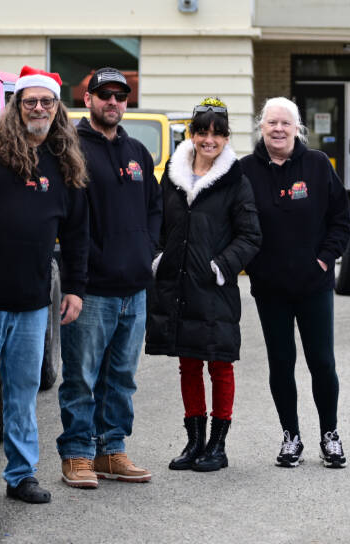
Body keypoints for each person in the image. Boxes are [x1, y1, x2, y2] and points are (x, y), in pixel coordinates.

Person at [0, 66, 89, 510]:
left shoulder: (65, 161)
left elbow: (79, 233)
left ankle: (21, 474)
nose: (39, 109)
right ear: (17, 105)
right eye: (31, 101)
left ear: (57, 108)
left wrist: (75, 288)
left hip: (32, 303)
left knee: (24, 395)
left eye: (47, 102)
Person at [57, 67, 162, 488]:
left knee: (122, 378)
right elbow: (66, 219)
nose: (114, 102)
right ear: (88, 100)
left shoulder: (138, 151)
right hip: (92, 290)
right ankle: (78, 454)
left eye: (121, 95)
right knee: (81, 377)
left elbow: (155, 206)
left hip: (134, 288)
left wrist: (147, 247)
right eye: (105, 95)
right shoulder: (72, 151)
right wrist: (75, 283)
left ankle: (111, 450)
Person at [146, 98, 261, 473]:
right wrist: (159, 256)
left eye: (217, 133)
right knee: (188, 364)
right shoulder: (173, 176)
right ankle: (194, 441)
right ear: (192, 135)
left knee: (220, 365)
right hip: (177, 285)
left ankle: (218, 445)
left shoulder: (236, 181)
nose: (209, 139)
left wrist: (220, 267)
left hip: (214, 288)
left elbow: (250, 236)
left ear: (226, 138)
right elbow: (159, 224)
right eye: (202, 132)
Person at [239, 97, 350, 468]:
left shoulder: (318, 165)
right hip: (270, 289)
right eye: (272, 122)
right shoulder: (245, 171)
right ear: (261, 126)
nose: (278, 129)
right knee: (281, 364)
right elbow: (235, 225)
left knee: (322, 363)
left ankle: (329, 435)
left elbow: (342, 220)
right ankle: (291, 437)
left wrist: (323, 260)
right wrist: (253, 267)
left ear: (298, 128)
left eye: (286, 123)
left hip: (313, 286)